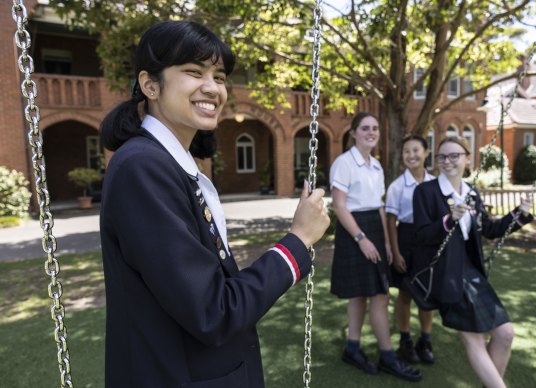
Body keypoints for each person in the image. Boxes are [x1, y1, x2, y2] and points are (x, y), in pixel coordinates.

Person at [99, 20, 329, 388]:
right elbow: (214, 310)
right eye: (193, 72)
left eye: (220, 77)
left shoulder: (170, 163)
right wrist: (297, 242)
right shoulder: (143, 168)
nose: (212, 88)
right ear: (150, 84)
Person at [412, 136, 533, 388]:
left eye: (454, 155)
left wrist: (518, 215)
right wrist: (448, 219)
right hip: (447, 274)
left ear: (468, 159)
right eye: (442, 156)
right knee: (474, 339)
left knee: (505, 334)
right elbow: (422, 235)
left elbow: (488, 229)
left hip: (472, 273)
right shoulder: (426, 191)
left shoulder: (472, 193)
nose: (448, 161)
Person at [329, 112, 422, 382]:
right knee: (379, 296)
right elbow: (339, 205)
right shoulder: (344, 163)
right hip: (354, 230)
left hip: (373, 226)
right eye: (365, 128)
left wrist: (383, 241)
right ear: (354, 133)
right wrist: (362, 239)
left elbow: (380, 206)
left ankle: (352, 348)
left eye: (375, 128)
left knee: (364, 295)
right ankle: (388, 356)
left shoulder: (377, 166)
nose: (371, 132)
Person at [385, 134, 436, 364]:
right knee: (405, 294)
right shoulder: (397, 186)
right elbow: (391, 222)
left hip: (429, 242)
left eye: (416, 150)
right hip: (405, 240)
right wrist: (395, 252)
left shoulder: (436, 183)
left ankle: (425, 341)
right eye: (406, 151)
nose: (411, 155)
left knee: (427, 295)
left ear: (426, 152)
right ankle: (405, 342)